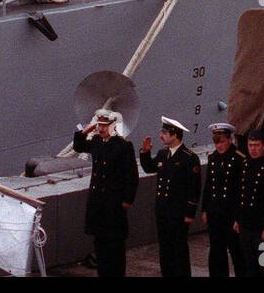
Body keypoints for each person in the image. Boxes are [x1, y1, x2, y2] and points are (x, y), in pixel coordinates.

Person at [73, 109, 138, 278]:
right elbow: (78, 146)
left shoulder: (123, 146)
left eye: (104, 126)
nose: (101, 129)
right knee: (100, 245)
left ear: (113, 126)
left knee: (115, 248)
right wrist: (85, 131)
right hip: (98, 204)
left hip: (114, 205)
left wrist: (127, 200)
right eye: (99, 125)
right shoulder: (96, 141)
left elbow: (131, 175)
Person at [139, 116, 202, 278]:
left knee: (179, 250)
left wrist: (189, 213)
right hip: (162, 211)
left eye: (165, 132)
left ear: (175, 134)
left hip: (178, 212)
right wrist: (145, 153)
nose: (161, 136)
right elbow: (149, 168)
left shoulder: (189, 157)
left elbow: (194, 188)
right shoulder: (162, 154)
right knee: (165, 249)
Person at [234, 129, 264, 277]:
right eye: (250, 145)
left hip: (263, 231)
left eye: (256, 145)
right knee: (250, 267)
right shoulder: (245, 166)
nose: (253, 149)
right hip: (246, 227)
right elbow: (240, 195)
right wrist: (238, 219)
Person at [201, 122, 247, 278]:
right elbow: (209, 186)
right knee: (216, 251)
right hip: (215, 213)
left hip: (231, 214)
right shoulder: (213, 158)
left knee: (236, 252)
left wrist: (238, 217)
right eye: (216, 142)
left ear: (230, 139)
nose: (218, 145)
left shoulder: (239, 159)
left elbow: (242, 191)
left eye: (221, 141)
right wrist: (205, 209)